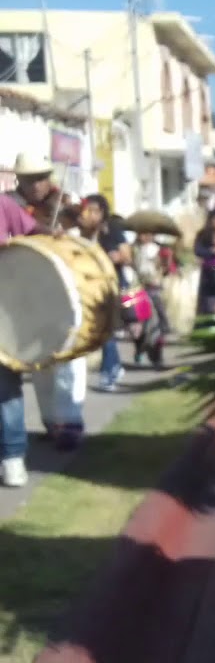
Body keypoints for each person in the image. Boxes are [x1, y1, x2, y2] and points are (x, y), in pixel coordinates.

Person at [0, 152, 63, 486]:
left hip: (6, 311)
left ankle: (11, 456)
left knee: (6, 387)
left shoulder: (5, 206)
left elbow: (30, 229)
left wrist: (48, 233)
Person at [79, 194, 131, 391]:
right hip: (91, 285)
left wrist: (112, 256)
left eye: (94, 210)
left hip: (111, 285)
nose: (90, 214)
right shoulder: (83, 232)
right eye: (87, 210)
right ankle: (114, 366)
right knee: (102, 329)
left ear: (102, 212)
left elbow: (127, 255)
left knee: (106, 329)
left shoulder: (112, 229)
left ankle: (108, 373)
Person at [131, 231, 175, 367]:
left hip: (155, 290)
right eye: (142, 233)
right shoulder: (134, 249)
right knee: (141, 325)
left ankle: (157, 355)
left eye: (147, 233)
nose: (144, 236)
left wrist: (165, 261)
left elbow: (167, 270)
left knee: (157, 324)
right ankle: (140, 348)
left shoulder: (160, 250)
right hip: (139, 290)